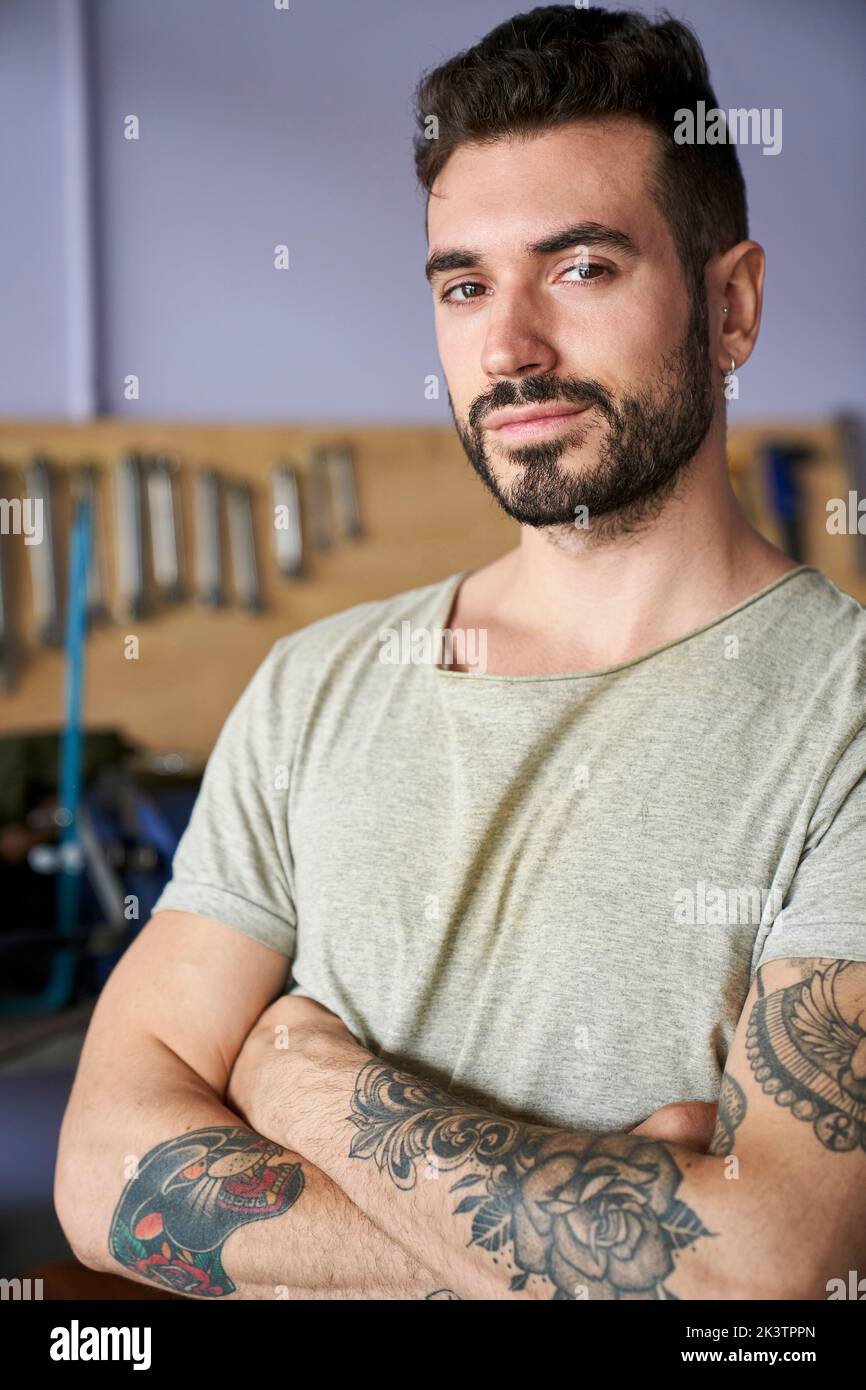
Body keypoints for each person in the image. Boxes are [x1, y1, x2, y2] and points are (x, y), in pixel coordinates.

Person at [56, 5, 866, 1301]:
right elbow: (100, 1169)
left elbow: (760, 1273)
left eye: (582, 267)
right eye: (463, 283)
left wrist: (307, 1084)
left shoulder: (844, 718)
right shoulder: (314, 687)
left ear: (730, 303)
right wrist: (565, 1243)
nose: (507, 347)